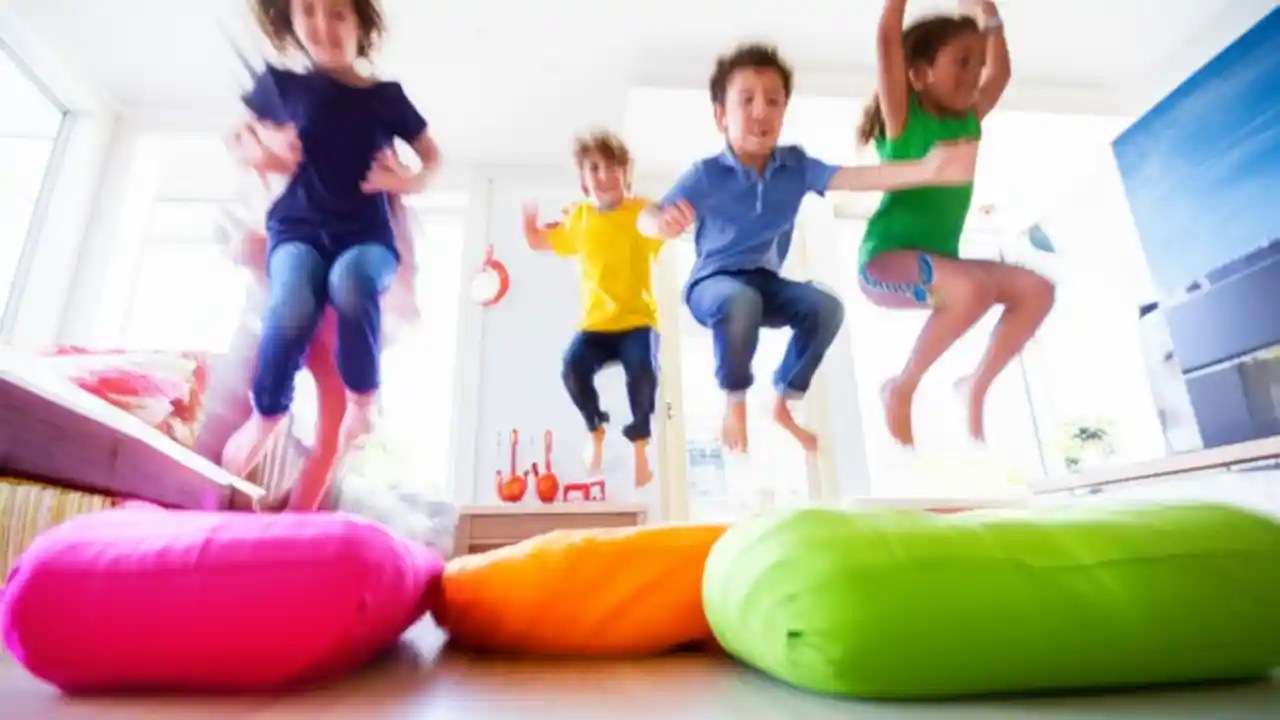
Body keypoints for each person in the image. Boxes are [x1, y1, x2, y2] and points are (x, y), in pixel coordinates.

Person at [639, 42, 976, 454]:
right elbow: (646, 218)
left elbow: (854, 178)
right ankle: (735, 400)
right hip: (712, 285)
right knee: (739, 300)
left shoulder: (795, 167)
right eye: (747, 101)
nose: (761, 111)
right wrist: (659, 222)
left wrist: (926, 170)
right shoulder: (705, 175)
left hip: (765, 285)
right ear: (721, 116)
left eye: (773, 101)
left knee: (825, 308)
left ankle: (783, 400)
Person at [220, 0, 439, 479]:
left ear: (362, 24)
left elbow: (432, 158)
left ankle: (364, 401)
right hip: (297, 227)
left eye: (339, 13)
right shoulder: (281, 87)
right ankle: (267, 414)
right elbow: (238, 139)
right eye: (309, 12)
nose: (323, 25)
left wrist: (407, 181)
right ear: (292, 22)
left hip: (365, 233)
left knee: (352, 283)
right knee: (292, 301)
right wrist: (265, 144)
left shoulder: (386, 98)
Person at [858, 0, 1054, 447]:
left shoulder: (969, 120)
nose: (974, 72)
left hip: (943, 267)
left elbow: (1000, 73)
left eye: (977, 62)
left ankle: (975, 386)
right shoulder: (904, 120)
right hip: (884, 264)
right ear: (920, 74)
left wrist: (988, 12)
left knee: (1037, 292)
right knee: (973, 288)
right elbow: (888, 39)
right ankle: (901, 386)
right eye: (961, 62)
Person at [523, 130, 664, 487]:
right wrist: (529, 218)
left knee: (643, 369)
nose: (604, 175)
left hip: (636, 322)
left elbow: (668, 228)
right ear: (584, 180)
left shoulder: (641, 212)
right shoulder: (579, 219)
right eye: (595, 168)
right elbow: (538, 240)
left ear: (626, 173)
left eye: (613, 167)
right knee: (572, 367)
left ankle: (641, 443)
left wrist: (681, 214)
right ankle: (595, 427)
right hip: (596, 326)